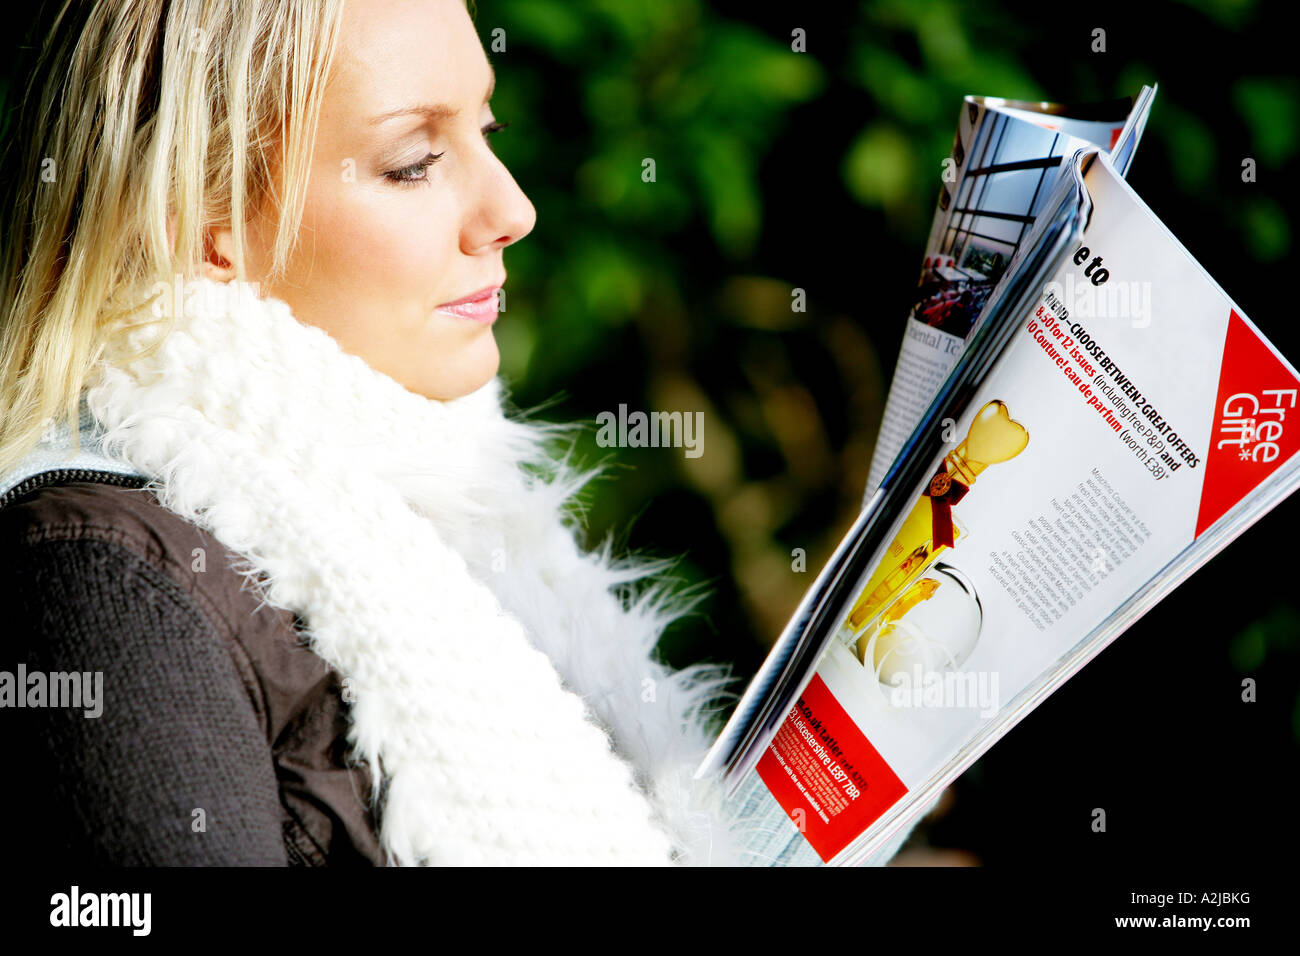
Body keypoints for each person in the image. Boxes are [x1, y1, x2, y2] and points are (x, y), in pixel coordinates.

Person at [0, 0, 926, 866]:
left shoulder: (458, 514)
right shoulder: (104, 582)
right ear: (199, 221)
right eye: (413, 161)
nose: (513, 210)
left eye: (488, 131)